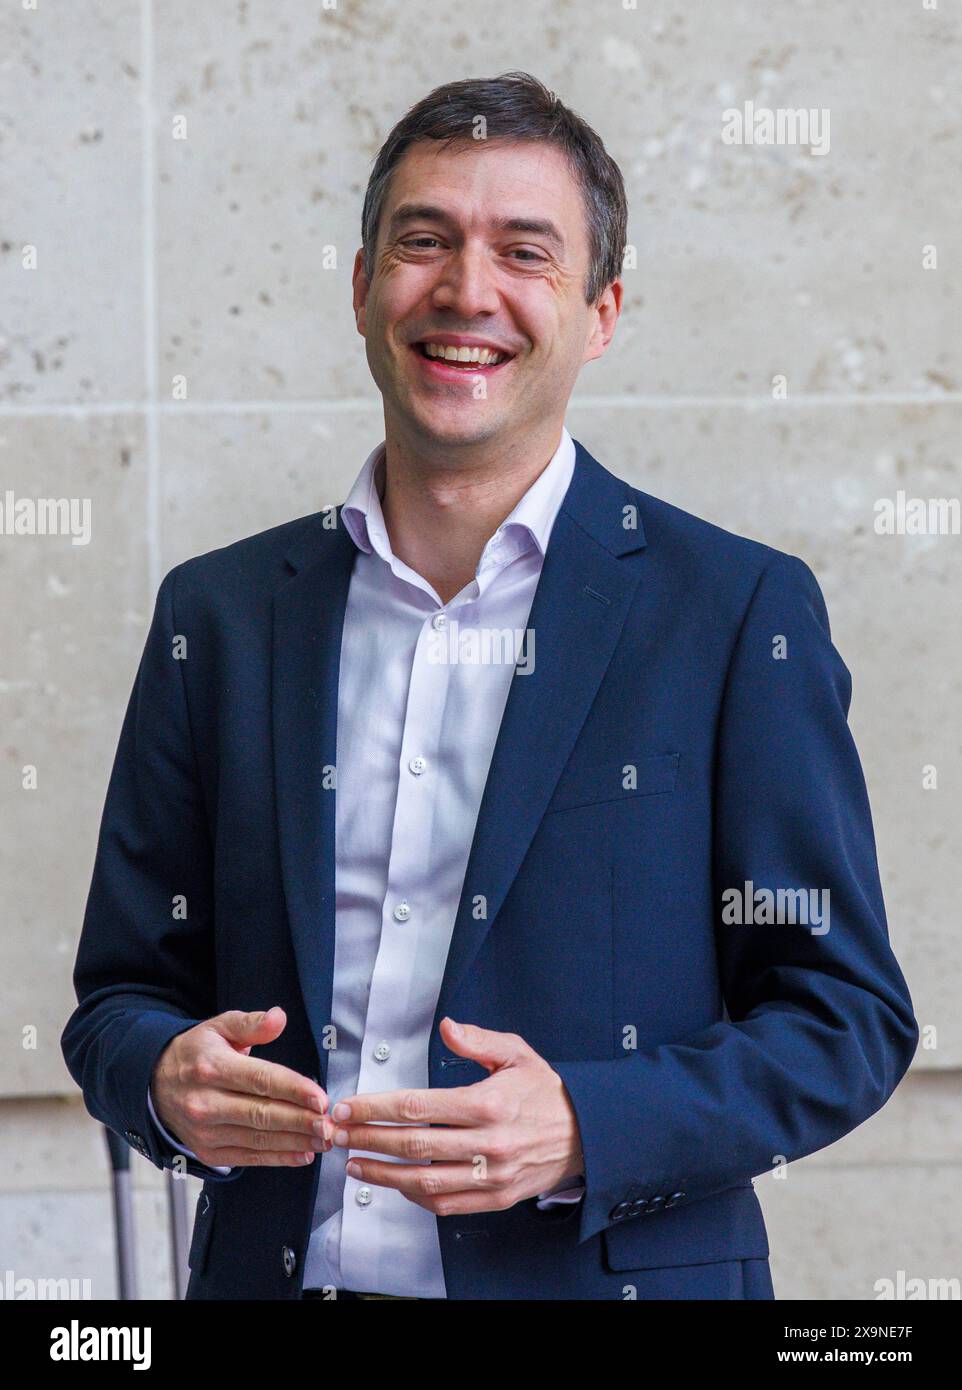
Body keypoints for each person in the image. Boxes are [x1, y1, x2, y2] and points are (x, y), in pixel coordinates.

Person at [62, 71, 918, 1301]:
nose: (466, 291)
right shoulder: (221, 614)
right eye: (422, 242)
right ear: (361, 287)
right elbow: (123, 994)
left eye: (525, 251)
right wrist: (161, 1080)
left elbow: (843, 1019)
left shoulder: (732, 614)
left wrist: (587, 1121)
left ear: (600, 310)